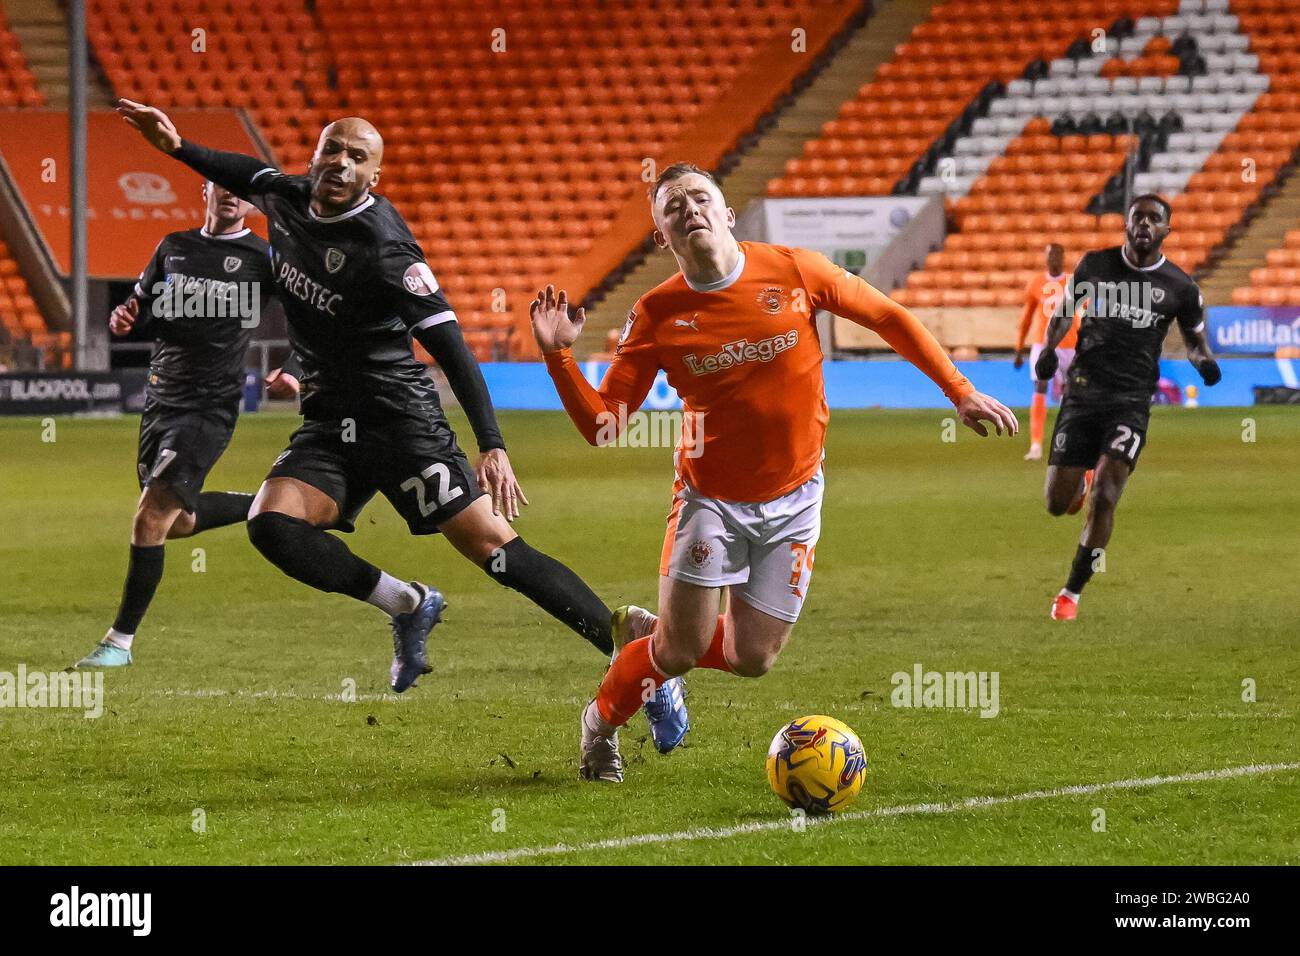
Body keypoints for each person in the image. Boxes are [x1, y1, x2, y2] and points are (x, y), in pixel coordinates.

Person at [112, 100, 660, 709]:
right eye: (333, 150)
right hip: (326, 422)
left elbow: (452, 349)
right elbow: (243, 171)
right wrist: (176, 145)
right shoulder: (288, 197)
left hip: (399, 420)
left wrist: (492, 444)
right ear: (315, 157)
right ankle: (406, 601)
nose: (341, 163)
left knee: (494, 552)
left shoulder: (385, 249)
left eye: (358, 157)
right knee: (271, 525)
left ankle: (629, 651)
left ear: (375, 176)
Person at [531, 162, 1019, 782]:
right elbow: (604, 424)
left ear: (728, 212)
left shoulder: (794, 269)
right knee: (679, 653)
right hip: (709, 500)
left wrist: (959, 389)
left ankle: (651, 641)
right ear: (661, 237)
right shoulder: (657, 315)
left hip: (796, 494)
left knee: (752, 657)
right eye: (672, 205)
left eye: (699, 196)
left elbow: (888, 317)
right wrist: (558, 355)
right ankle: (600, 725)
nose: (689, 208)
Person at [74, 181, 294, 668]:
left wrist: (293, 371)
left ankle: (119, 643)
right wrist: (126, 318)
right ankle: (267, 504)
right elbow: (142, 307)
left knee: (149, 515)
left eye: (242, 192)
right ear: (206, 191)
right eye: (223, 187)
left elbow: (309, 321)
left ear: (252, 205)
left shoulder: (264, 259)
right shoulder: (173, 247)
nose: (232, 196)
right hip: (160, 399)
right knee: (176, 524)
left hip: (209, 407)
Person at [1038, 194, 1220, 621]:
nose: (1144, 224)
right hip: (1082, 392)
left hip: (1132, 402)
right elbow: (1065, 313)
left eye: (1154, 219)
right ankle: (1078, 483)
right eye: (1138, 217)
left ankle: (1071, 591)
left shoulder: (1181, 288)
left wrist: (1205, 364)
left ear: (1166, 231)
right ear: (1127, 224)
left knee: (1107, 496)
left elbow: (1196, 344)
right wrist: (1048, 349)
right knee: (1054, 503)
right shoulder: (1094, 266)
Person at [1014, 242, 1079, 461]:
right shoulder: (1035, 283)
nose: (1053, 259)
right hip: (1044, 345)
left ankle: (1067, 441)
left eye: (1057, 255)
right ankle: (1035, 445)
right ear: (1045, 258)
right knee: (1040, 385)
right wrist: (1019, 347)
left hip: (1071, 345)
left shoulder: (1073, 283)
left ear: (1063, 258)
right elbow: (1026, 318)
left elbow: (1085, 314)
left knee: (1070, 392)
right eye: (1050, 255)